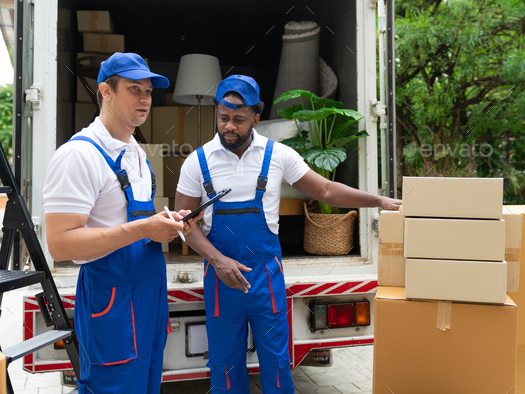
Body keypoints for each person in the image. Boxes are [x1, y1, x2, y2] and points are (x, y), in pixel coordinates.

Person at [175, 75, 402, 393]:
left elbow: (325, 189)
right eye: (223, 117)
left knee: (278, 368)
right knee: (225, 372)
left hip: (266, 282)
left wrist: (378, 200)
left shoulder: (277, 155)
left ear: (255, 118)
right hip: (221, 281)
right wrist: (217, 260)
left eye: (239, 120)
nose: (229, 126)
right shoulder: (197, 163)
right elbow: (184, 223)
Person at [43, 52, 200, 394]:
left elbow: (133, 222)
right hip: (111, 297)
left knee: (146, 385)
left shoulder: (137, 154)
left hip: (149, 291)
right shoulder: (78, 156)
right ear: (106, 91)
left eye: (148, 91)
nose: (145, 99)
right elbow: (60, 243)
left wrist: (168, 223)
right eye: (134, 89)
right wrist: (144, 229)